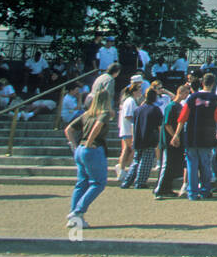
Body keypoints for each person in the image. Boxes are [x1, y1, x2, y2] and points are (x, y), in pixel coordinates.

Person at [64, 85, 113, 229]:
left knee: (82, 183)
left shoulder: (86, 114)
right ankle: (78, 211)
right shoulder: (103, 113)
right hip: (93, 149)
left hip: (80, 148)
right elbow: (98, 126)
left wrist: (74, 145)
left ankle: (75, 216)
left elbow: (68, 129)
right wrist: (90, 142)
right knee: (98, 183)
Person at [172, 72, 217, 201]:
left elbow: (182, 118)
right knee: (206, 165)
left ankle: (192, 192)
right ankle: (205, 190)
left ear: (202, 83)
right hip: (207, 136)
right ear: (213, 84)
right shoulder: (216, 99)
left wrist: (176, 135)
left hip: (191, 135)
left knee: (191, 165)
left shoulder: (192, 97)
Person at [154, 83, 191, 199]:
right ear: (181, 93)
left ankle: (167, 189)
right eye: (186, 93)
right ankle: (159, 190)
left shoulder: (179, 106)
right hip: (168, 141)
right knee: (166, 165)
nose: (187, 96)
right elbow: (167, 124)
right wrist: (175, 136)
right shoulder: (172, 106)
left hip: (175, 140)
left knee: (171, 166)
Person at [122, 86, 163, 189]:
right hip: (149, 138)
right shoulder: (155, 110)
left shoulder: (138, 110)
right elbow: (160, 126)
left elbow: (133, 124)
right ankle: (140, 182)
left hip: (138, 137)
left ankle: (127, 181)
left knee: (136, 161)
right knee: (146, 161)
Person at [116, 77, 143, 180]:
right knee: (128, 149)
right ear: (134, 91)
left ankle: (122, 168)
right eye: (139, 90)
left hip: (128, 129)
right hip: (128, 129)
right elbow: (128, 116)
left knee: (129, 149)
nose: (141, 92)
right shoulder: (130, 101)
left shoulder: (131, 100)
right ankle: (121, 169)